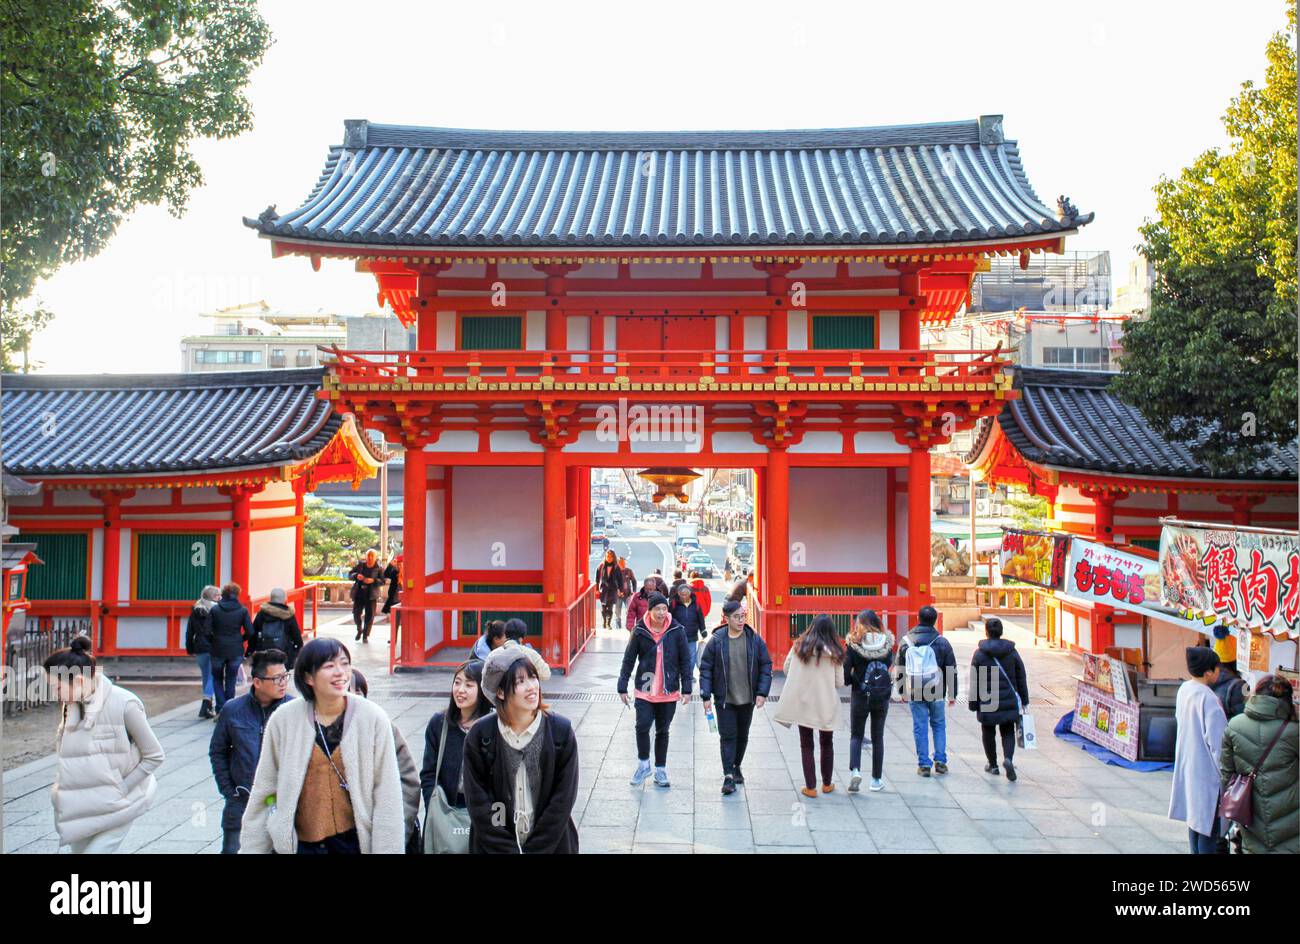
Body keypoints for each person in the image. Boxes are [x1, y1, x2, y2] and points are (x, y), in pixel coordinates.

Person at [239, 638, 405, 854]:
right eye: (329, 666)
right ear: (308, 676)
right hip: (301, 846)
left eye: (344, 664)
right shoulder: (284, 720)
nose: (341, 673)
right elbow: (265, 791)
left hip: (353, 845)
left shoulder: (372, 719)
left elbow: (387, 797)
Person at [43, 636, 165, 853]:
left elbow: (154, 755)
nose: (55, 694)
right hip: (80, 806)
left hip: (120, 803)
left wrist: (121, 788)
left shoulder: (124, 704)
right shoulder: (70, 706)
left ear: (79, 681)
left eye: (57, 688)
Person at [462, 648, 580, 853]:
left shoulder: (560, 733)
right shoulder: (481, 736)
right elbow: (479, 803)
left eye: (532, 678)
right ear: (500, 691)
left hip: (553, 847)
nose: (531, 687)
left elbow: (562, 801)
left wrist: (535, 850)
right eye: (520, 682)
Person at [209, 648, 293, 854]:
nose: (283, 683)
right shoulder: (232, 710)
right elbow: (218, 751)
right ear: (257, 682)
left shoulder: (294, 710)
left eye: (285, 676)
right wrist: (229, 790)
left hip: (282, 802)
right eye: (276, 678)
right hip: (242, 799)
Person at [618, 591, 692, 787]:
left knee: (662, 730)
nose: (661, 612)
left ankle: (661, 770)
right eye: (657, 609)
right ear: (649, 611)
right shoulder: (640, 630)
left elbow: (685, 660)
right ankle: (643, 765)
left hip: (668, 691)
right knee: (642, 725)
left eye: (664, 608)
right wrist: (622, 686)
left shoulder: (676, 630)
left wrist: (687, 688)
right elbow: (629, 659)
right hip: (645, 688)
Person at [698, 599, 772, 795]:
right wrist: (706, 695)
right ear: (727, 618)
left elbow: (766, 665)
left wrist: (762, 692)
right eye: (736, 617)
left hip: (747, 698)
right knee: (728, 736)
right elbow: (705, 668)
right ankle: (728, 775)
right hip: (725, 699)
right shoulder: (717, 640)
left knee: (743, 736)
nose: (741, 621)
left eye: (743, 617)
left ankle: (737, 765)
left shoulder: (754, 639)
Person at [1218, 673, 1298, 854]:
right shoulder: (1295, 731)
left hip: (1250, 813)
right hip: (1292, 817)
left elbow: (1226, 775)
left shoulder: (1234, 726)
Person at [350, 668, 422, 852]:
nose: (353, 697)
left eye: (358, 691)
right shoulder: (317, 731)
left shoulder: (382, 727)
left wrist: (397, 834)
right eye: (346, 691)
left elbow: (409, 783)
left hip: (380, 832)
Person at [774, 614, 844, 798]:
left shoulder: (798, 646)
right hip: (826, 703)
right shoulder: (835, 652)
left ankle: (811, 787)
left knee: (806, 745)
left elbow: (787, 669)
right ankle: (827, 784)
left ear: (811, 627)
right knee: (827, 743)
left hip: (803, 702)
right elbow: (840, 681)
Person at [1168, 646, 1228, 854]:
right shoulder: (1209, 698)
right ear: (1208, 672)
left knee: (1195, 822)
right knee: (1208, 827)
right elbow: (1218, 743)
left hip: (1189, 762)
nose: (1219, 672)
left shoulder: (1185, 689)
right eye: (1217, 668)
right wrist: (1227, 775)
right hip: (1206, 770)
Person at [421, 660, 494, 813]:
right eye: (457, 683)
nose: (460, 690)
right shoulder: (439, 723)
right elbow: (429, 774)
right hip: (447, 809)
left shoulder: (495, 727)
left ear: (482, 689)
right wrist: (434, 809)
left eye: (468, 685)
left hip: (485, 812)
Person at [895, 605, 958, 777]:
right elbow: (951, 667)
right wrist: (952, 693)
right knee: (938, 725)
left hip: (915, 688)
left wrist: (902, 691)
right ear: (935, 620)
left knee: (920, 726)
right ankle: (940, 760)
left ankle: (923, 764)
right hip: (936, 689)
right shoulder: (942, 642)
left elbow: (900, 667)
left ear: (918, 618)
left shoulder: (906, 640)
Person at [967, 617, 1029, 781]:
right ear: (1001, 632)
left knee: (988, 731)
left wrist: (973, 703)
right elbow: (1021, 677)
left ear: (986, 632)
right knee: (1007, 730)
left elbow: (974, 680)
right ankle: (1008, 758)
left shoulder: (979, 654)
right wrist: (1025, 699)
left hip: (987, 699)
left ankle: (993, 764)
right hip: (1008, 698)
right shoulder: (1012, 652)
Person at [843, 609, 894, 793]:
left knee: (856, 735)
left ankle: (855, 771)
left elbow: (845, 671)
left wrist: (852, 680)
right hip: (881, 695)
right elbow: (888, 664)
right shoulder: (886, 644)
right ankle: (876, 779)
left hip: (860, 695)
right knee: (878, 737)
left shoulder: (853, 644)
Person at [209, 583, 254, 713]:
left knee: (217, 678)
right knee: (231, 678)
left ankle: (220, 707)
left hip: (217, 647)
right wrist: (241, 638)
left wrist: (214, 639)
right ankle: (229, 707)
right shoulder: (242, 610)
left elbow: (207, 630)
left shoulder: (215, 610)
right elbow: (250, 631)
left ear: (223, 594)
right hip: (235, 648)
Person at [185, 585, 220, 719]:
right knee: (213, 675)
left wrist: (189, 647)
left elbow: (190, 631)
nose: (220, 597)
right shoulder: (216, 610)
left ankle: (208, 705)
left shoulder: (195, 610)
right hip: (212, 647)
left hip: (199, 647)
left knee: (206, 676)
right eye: (217, 595)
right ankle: (206, 701)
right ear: (212, 597)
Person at [250, 587, 304, 669]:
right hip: (283, 653)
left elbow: (253, 633)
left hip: (264, 652)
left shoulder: (262, 613)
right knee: (281, 676)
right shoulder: (288, 615)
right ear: (285, 599)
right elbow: (296, 635)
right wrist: (297, 649)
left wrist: (251, 649)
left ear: (271, 598)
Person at [670, 581, 707, 676]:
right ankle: (679, 674)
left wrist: (703, 630)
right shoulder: (673, 604)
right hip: (678, 636)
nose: (683, 597)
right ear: (678, 594)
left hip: (692, 636)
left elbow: (700, 618)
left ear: (690, 594)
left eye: (685, 594)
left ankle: (688, 675)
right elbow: (669, 618)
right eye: (681, 594)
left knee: (692, 657)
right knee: (678, 656)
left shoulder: (696, 604)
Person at [348, 549, 384, 642]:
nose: (370, 558)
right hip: (359, 593)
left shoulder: (379, 568)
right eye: (369, 556)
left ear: (375, 557)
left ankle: (365, 635)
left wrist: (373, 580)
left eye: (372, 556)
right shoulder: (360, 566)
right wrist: (356, 575)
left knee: (370, 616)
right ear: (366, 556)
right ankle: (359, 629)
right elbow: (350, 574)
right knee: (356, 614)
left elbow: (383, 581)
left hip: (371, 595)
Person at [596, 549, 623, 630]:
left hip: (613, 589)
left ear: (613, 557)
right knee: (603, 607)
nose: (609, 558)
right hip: (603, 589)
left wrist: (620, 590)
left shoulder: (616, 567)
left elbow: (620, 579)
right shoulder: (601, 566)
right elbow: (597, 579)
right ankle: (604, 621)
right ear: (605, 557)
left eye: (611, 557)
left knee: (610, 607)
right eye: (608, 556)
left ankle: (608, 623)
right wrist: (597, 589)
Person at [616, 557, 636, 627]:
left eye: (624, 563)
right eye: (621, 563)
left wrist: (634, 591)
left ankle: (628, 625)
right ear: (618, 563)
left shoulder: (629, 571)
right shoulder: (615, 572)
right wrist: (617, 591)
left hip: (628, 594)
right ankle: (618, 626)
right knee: (618, 612)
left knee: (628, 611)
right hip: (618, 595)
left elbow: (634, 581)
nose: (623, 564)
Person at [381, 554, 402, 620]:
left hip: (405, 600)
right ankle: (395, 630)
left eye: (401, 564)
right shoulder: (395, 572)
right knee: (396, 619)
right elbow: (386, 574)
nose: (399, 566)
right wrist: (390, 565)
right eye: (398, 564)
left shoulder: (409, 573)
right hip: (395, 599)